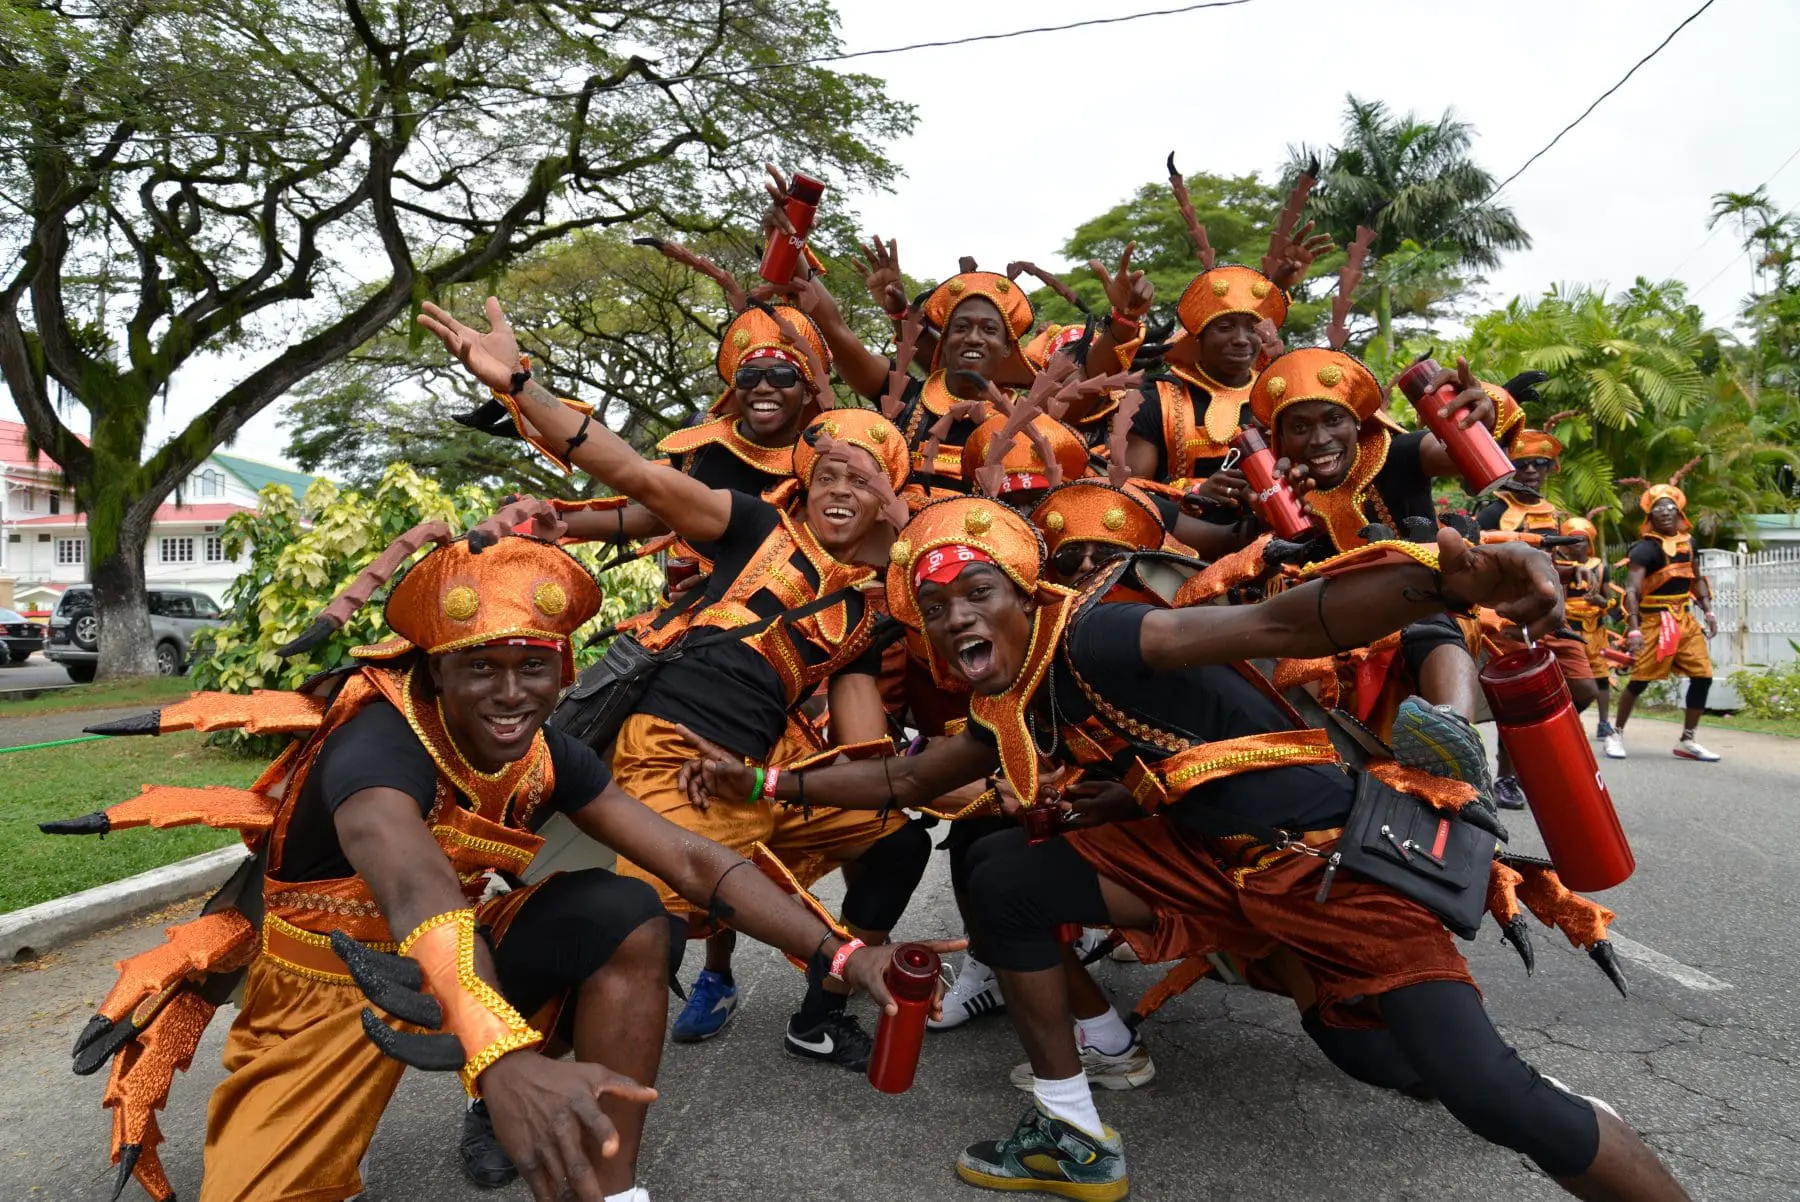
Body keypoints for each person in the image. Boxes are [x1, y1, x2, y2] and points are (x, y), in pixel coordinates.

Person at [679, 496, 1687, 1202]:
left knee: (1484, 1095)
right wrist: (767, 781)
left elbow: (1282, 615)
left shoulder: (1100, 636)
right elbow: (905, 778)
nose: (953, 620)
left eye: (975, 593)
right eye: (934, 610)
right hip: (1210, 863)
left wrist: (1447, 580)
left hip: (1327, 870)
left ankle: (1569, 1120)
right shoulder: (1016, 695)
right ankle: (1072, 1128)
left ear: (1026, 594)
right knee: (1002, 870)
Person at [42, 512, 942, 1202]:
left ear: (563, 665)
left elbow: (691, 860)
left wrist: (842, 954)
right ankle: (503, 1093)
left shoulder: (549, 749)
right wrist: (503, 1058)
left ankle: (608, 1185)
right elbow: (415, 885)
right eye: (481, 667)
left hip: (461, 959)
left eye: (534, 666)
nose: (512, 694)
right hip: (326, 990)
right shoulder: (378, 746)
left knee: (626, 914)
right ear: (435, 670)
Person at [419, 294, 933, 1077]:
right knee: (636, 932)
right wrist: (518, 383)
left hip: (749, 780)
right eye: (827, 472)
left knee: (896, 838)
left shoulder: (870, 614)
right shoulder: (755, 525)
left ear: (887, 499)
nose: (838, 489)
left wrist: (963, 785)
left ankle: (821, 1017)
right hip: (669, 762)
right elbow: (629, 472)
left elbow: (863, 756)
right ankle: (508, 1080)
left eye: (860, 480)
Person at [1123, 156, 1331, 488]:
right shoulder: (1158, 400)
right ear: (1198, 338)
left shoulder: (1280, 396)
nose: (1241, 339)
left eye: (1251, 327)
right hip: (1185, 536)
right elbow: (1129, 488)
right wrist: (1193, 490)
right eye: (1224, 327)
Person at [1474, 418, 1601, 805]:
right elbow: (1476, 564)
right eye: (1523, 464)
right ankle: (1507, 777)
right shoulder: (1492, 513)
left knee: (1584, 688)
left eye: (1539, 464)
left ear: (1549, 470)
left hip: (1554, 618)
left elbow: (1546, 563)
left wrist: (1572, 568)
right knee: (1520, 699)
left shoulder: (1556, 514)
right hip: (1510, 619)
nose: (1531, 470)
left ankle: (1536, 749)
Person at [1610, 459, 1720, 761]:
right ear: (1650, 515)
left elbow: (1696, 579)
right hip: (1653, 622)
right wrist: (1632, 627)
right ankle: (1615, 734)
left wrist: (1708, 611)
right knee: (1640, 680)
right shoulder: (1644, 549)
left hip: (1684, 619)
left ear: (1679, 511)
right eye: (1658, 509)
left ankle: (1688, 739)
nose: (1665, 513)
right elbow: (1631, 590)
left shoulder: (1689, 543)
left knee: (1703, 676)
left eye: (1670, 507)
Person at [1556, 509, 1620, 741]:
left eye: (1581, 541)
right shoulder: (1562, 567)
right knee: (1572, 677)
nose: (1576, 546)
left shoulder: (1600, 567)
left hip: (1596, 629)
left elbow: (1609, 599)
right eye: (1571, 540)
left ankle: (1604, 723)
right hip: (1570, 627)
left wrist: (1599, 601)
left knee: (1601, 676)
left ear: (1589, 543)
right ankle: (1568, 719)